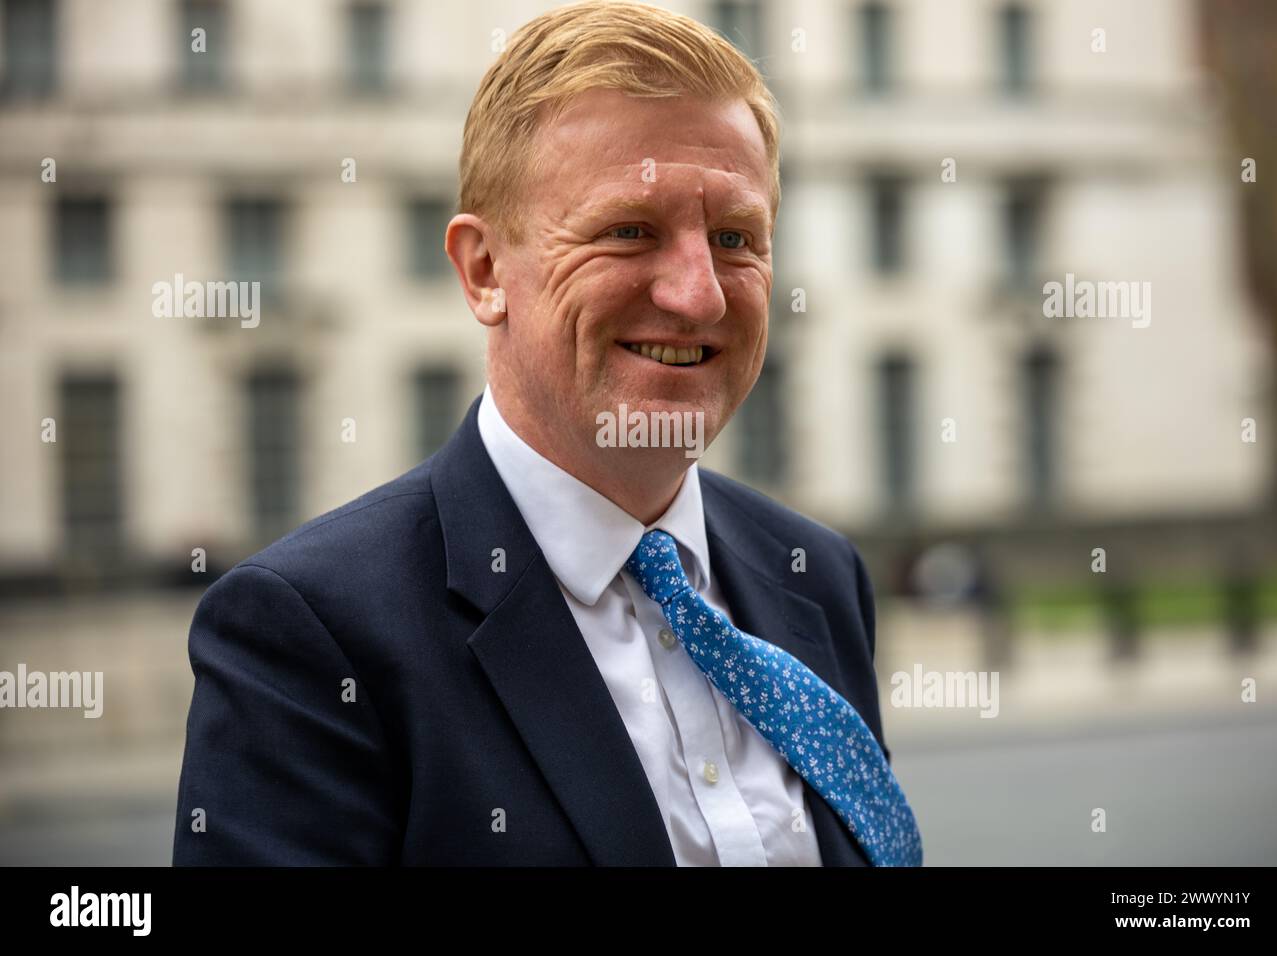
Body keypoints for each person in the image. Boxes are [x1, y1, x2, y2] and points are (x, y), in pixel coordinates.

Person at [172, 0, 921, 867]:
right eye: (630, 232)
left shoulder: (818, 576)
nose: (701, 294)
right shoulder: (308, 635)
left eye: (735, 238)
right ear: (484, 271)